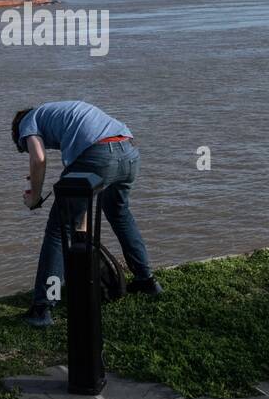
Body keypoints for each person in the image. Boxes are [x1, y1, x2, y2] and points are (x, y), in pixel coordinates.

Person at [13, 101, 161, 328]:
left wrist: (34, 197)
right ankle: (147, 280)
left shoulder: (27, 123)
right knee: (119, 213)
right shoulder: (58, 116)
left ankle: (42, 308)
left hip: (98, 155)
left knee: (58, 230)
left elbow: (38, 159)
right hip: (128, 151)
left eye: (22, 146)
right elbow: (81, 187)